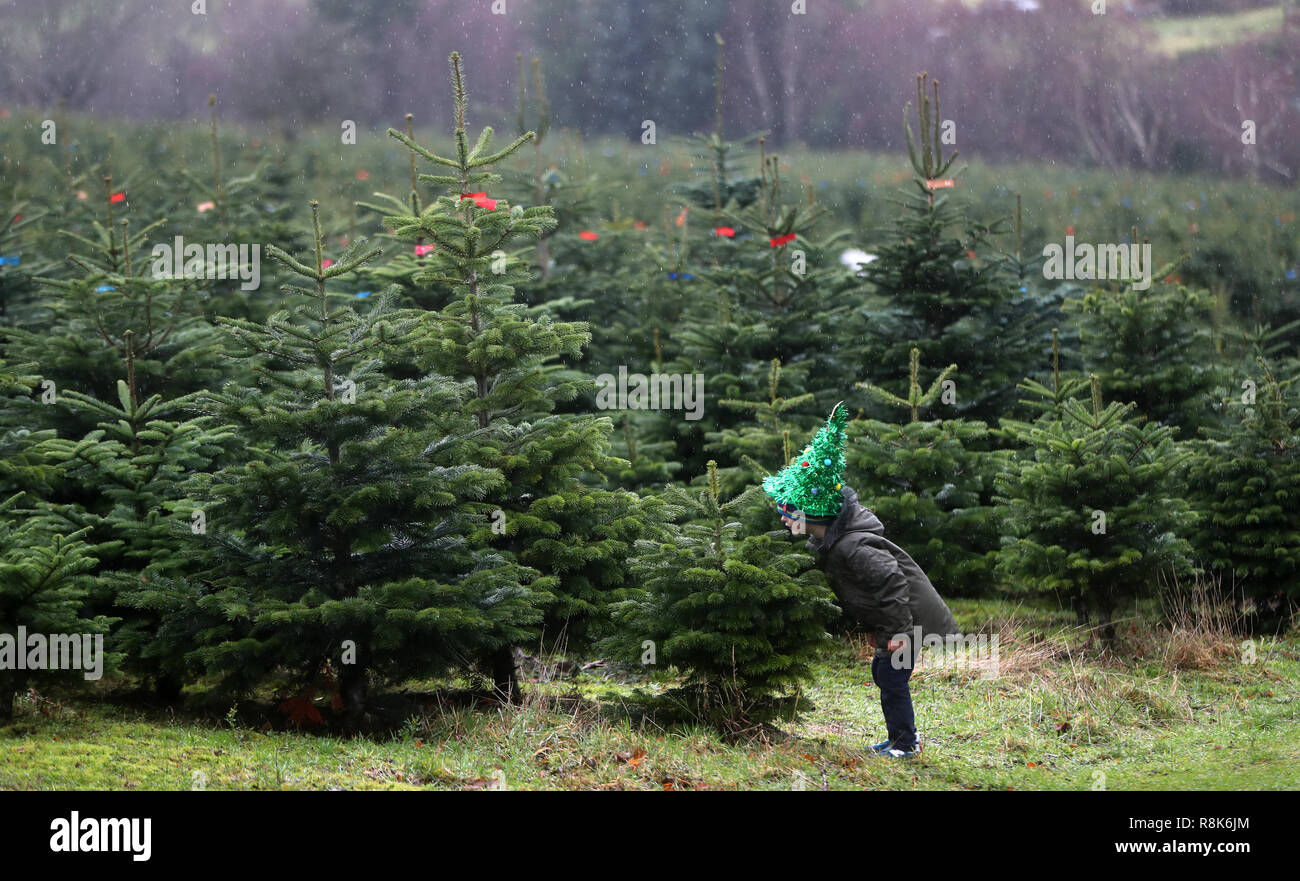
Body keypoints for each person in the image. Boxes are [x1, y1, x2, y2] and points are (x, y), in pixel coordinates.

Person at [762, 402, 959, 758]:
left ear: (813, 512)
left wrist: (898, 635)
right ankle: (900, 736)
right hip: (893, 621)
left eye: (788, 513)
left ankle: (906, 743)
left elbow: (893, 585)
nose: (784, 520)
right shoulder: (829, 541)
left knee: (892, 679)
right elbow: (864, 593)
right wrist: (874, 627)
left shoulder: (852, 547)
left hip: (909, 619)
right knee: (883, 674)